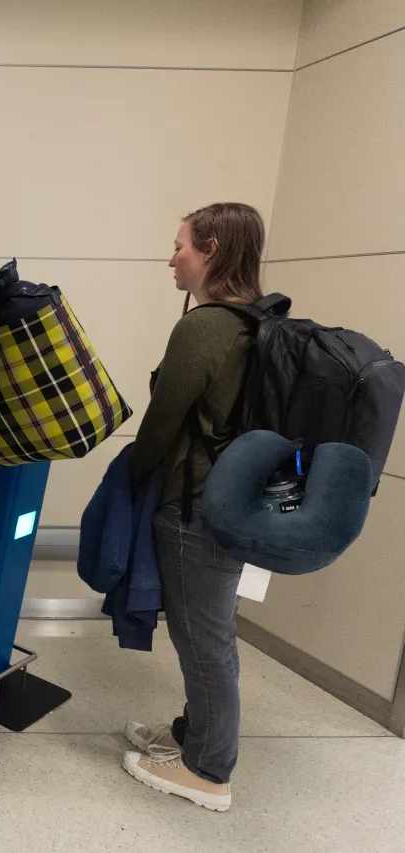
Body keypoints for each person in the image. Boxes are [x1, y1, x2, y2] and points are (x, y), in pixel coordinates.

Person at [122, 202, 266, 812]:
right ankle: (192, 736)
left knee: (203, 640)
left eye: (180, 245)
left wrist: (130, 477)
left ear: (209, 250)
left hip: (195, 508)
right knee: (212, 632)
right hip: (236, 501)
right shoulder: (260, 320)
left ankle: (209, 771)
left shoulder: (205, 326)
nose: (171, 257)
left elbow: (159, 428)